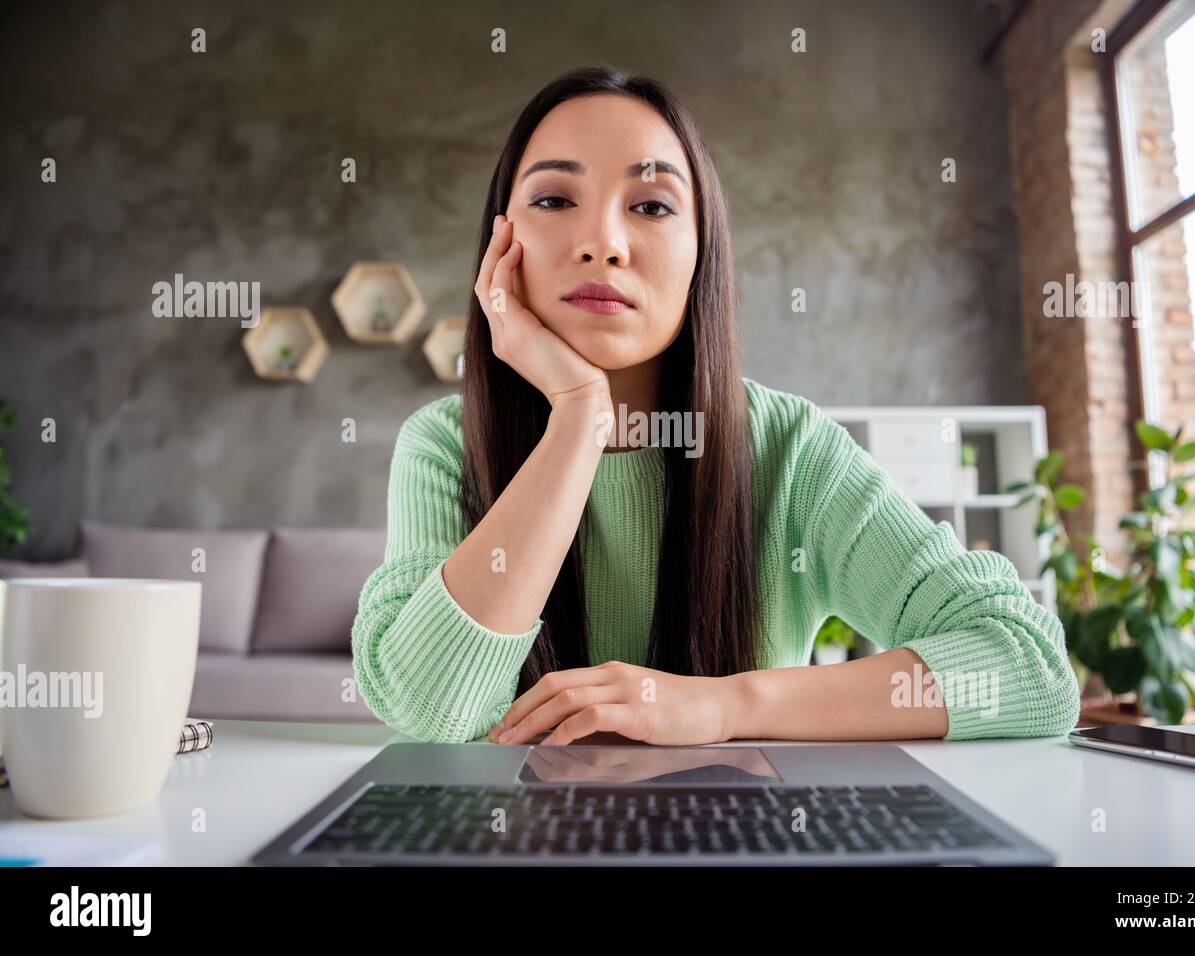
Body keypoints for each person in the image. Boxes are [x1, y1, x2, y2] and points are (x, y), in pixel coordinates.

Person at [351, 65, 1080, 746]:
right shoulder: (444, 445)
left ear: (703, 252)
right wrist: (579, 415)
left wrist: (724, 705)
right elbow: (429, 710)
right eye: (552, 199)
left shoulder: (788, 448)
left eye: (651, 205)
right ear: (499, 243)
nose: (603, 242)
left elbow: (1030, 667)